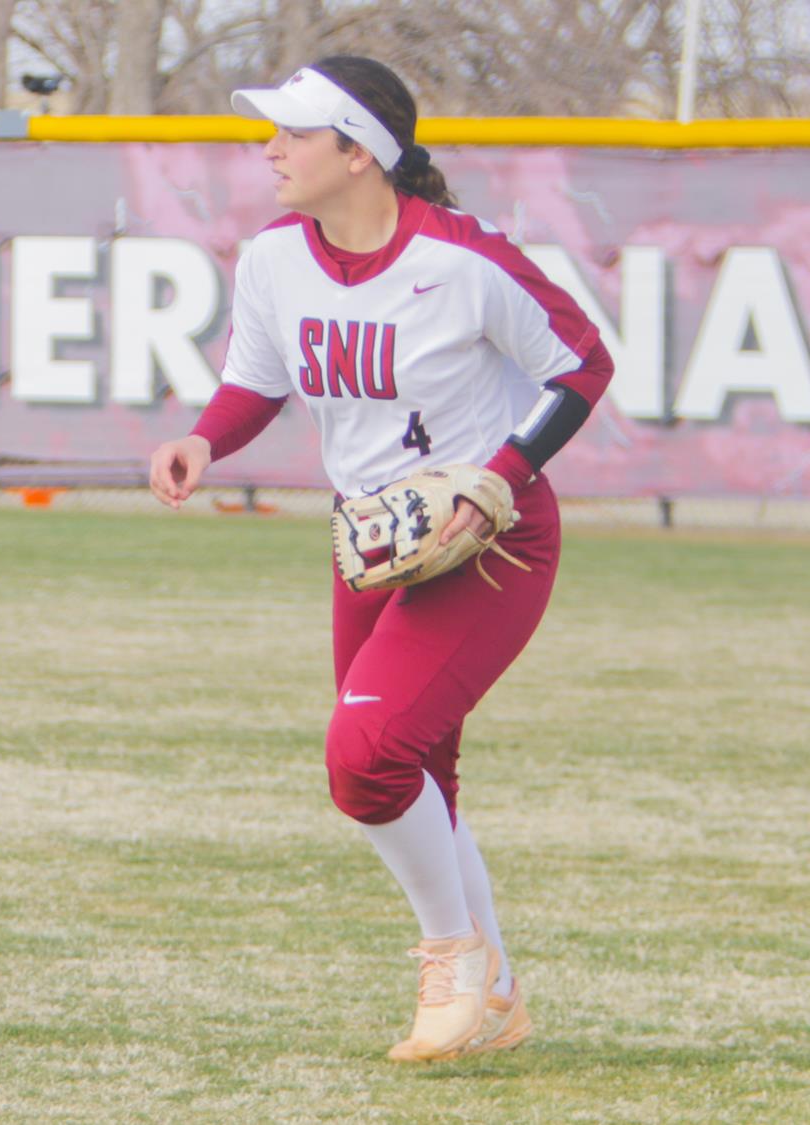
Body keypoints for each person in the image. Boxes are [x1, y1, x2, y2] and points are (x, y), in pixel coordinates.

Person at [146, 55, 613, 1062]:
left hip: (485, 538)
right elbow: (256, 379)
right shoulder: (274, 256)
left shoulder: (459, 259)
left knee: (363, 760)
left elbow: (580, 364)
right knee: (415, 775)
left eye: (293, 133)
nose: (267, 148)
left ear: (359, 152)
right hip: (372, 541)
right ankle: (492, 996)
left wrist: (501, 472)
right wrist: (205, 440)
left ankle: (454, 957)